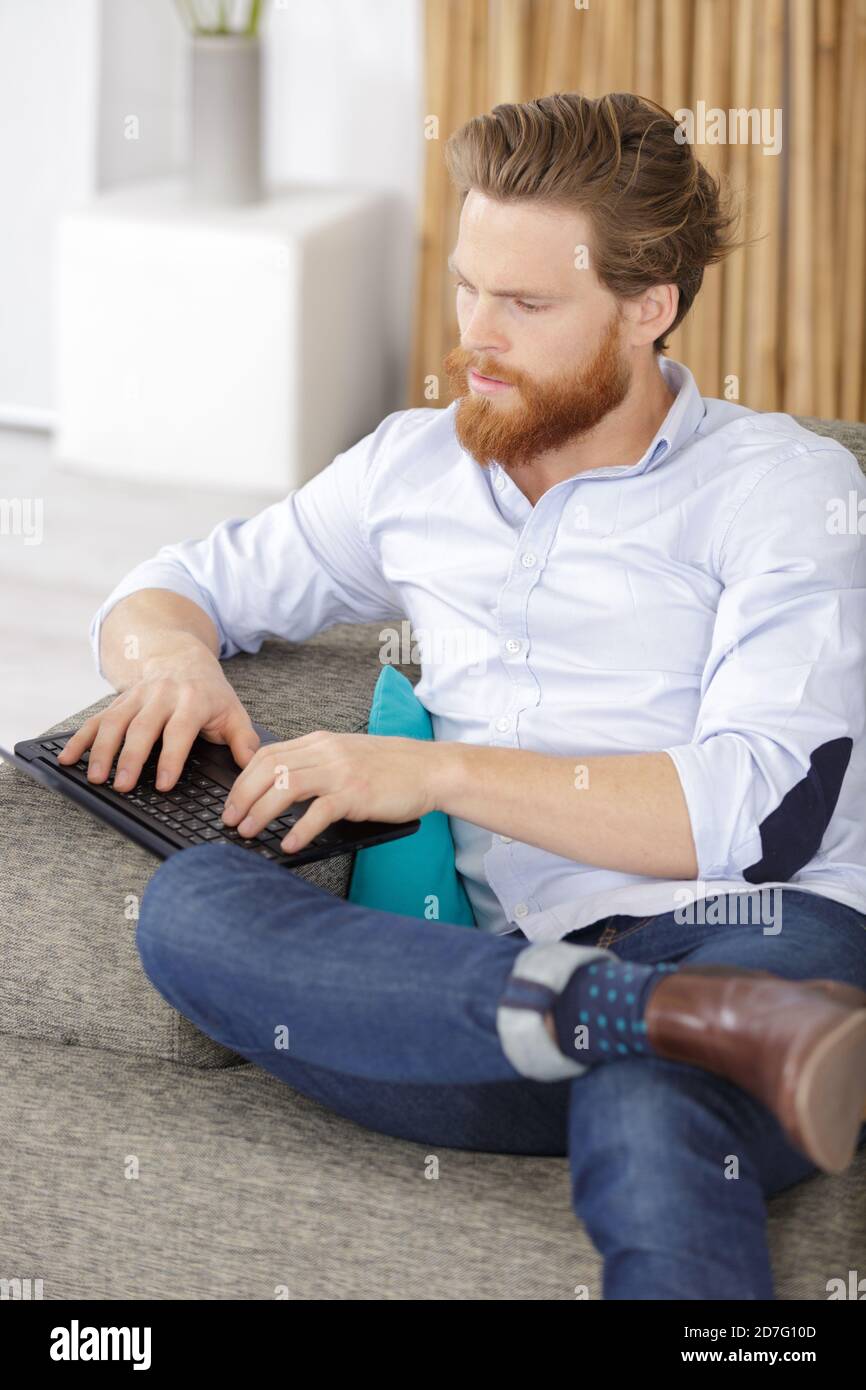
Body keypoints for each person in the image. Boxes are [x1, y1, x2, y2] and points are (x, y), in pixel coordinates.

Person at [66, 92, 866, 1300]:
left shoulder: (778, 489)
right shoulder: (411, 467)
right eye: (465, 288)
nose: (473, 337)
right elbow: (168, 585)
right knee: (187, 909)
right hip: (510, 996)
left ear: (647, 308)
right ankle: (636, 1016)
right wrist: (173, 660)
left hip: (759, 939)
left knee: (651, 1114)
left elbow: (761, 814)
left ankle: (668, 1023)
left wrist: (433, 771)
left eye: (526, 304)